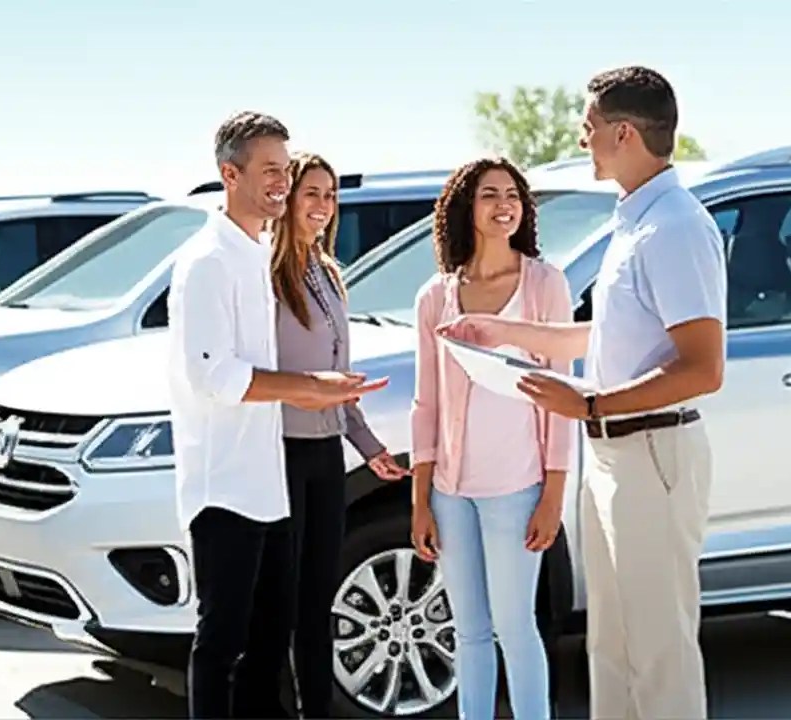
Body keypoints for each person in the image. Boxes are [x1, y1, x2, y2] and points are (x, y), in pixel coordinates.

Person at [438, 66, 726, 720]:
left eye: (590, 127)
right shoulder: (636, 219)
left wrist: (588, 406)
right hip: (615, 458)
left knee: (659, 652)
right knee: (614, 648)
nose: (582, 136)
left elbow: (703, 368)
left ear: (623, 133)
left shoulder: (675, 227)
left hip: (651, 454)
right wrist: (505, 330)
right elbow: (615, 337)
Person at [166, 110, 390, 718]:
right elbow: (212, 375)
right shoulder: (207, 262)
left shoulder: (255, 252)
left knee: (266, 647)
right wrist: (308, 388)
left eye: (285, 171)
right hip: (224, 488)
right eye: (271, 171)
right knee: (223, 646)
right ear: (228, 174)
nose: (282, 184)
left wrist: (327, 401)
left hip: (268, 485)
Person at [408, 156, 574, 720]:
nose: (504, 204)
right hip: (451, 494)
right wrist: (421, 499)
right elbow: (425, 402)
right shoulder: (435, 296)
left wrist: (552, 495)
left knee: (515, 625)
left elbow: (561, 400)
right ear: (466, 208)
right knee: (470, 632)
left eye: (513, 194)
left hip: (518, 487)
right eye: (489, 195)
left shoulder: (545, 284)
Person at [268, 151, 406, 718]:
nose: (323, 206)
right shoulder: (266, 276)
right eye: (311, 194)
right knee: (280, 600)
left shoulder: (329, 273)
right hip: (279, 453)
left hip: (326, 456)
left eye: (329, 196)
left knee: (318, 600)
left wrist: (371, 449)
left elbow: (338, 382)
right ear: (288, 199)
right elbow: (265, 376)